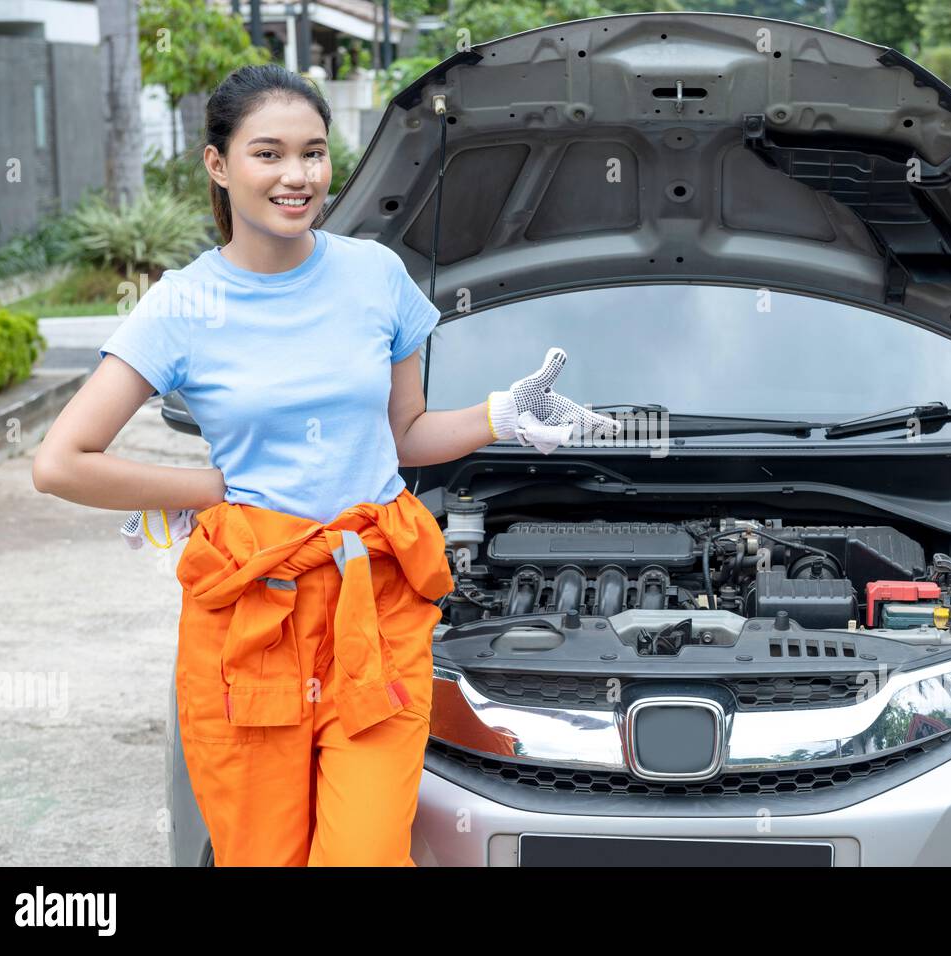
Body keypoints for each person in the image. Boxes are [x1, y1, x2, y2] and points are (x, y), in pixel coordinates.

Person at [31, 63, 618, 866]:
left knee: (365, 854)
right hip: (254, 617)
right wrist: (215, 490)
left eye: (312, 154)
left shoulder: (375, 275)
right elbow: (62, 461)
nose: (296, 176)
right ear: (218, 164)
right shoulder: (182, 303)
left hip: (373, 603)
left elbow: (404, 435)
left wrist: (500, 415)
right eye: (268, 154)